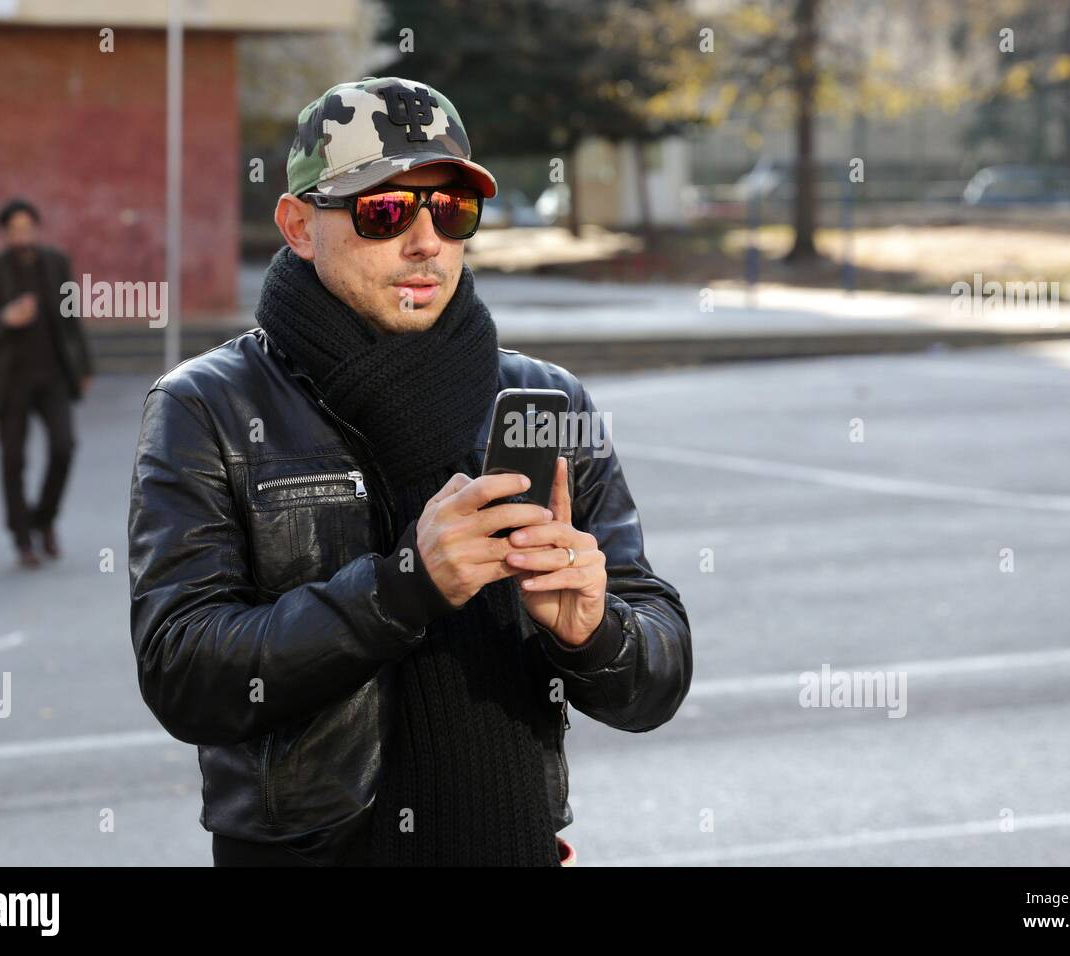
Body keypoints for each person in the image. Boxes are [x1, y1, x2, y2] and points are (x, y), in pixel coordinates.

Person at [127, 77, 692, 867]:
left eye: (451, 210)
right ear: (298, 224)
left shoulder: (544, 401)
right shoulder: (209, 407)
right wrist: (402, 586)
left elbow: (657, 677)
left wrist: (595, 632)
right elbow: (184, 671)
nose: (426, 241)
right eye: (385, 210)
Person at [0, 198, 93, 568]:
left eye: (27, 226)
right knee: (13, 460)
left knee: (64, 447)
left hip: (52, 374)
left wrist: (84, 366)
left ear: (35, 228)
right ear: (4, 234)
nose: (23, 234)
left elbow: (71, 319)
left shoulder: (55, 263)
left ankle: (45, 520)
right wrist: (5, 318)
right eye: (15, 229)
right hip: (9, 379)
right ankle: (23, 538)